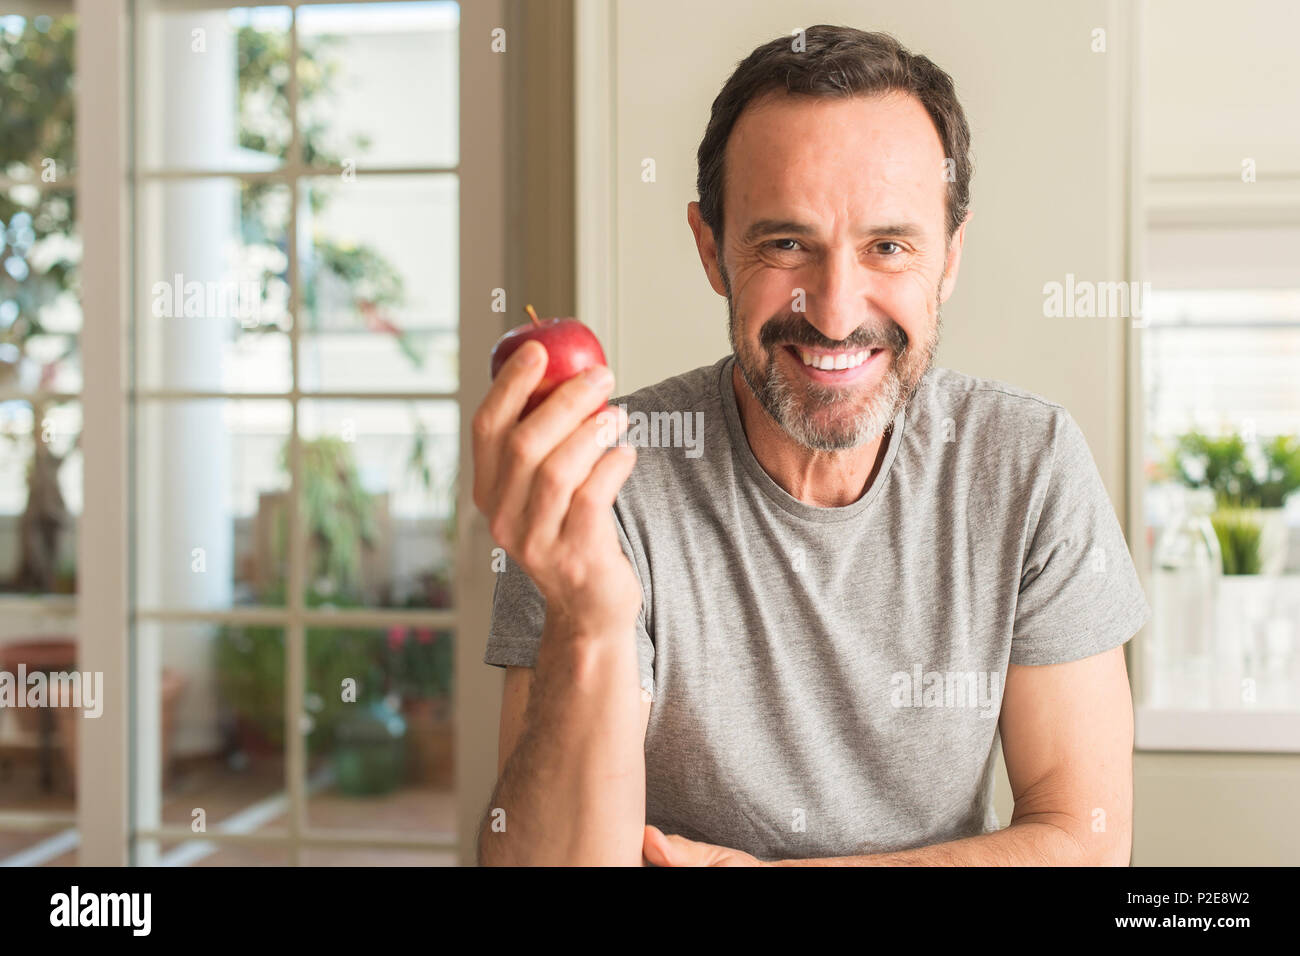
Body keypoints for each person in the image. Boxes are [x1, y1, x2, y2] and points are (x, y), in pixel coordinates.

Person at [474, 25, 1149, 866]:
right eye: (787, 244)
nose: (834, 311)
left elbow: (1085, 843)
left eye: (888, 246)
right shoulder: (599, 483)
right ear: (711, 248)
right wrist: (588, 619)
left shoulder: (1028, 464)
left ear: (950, 257)